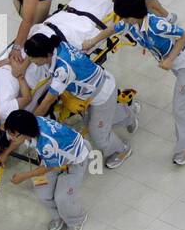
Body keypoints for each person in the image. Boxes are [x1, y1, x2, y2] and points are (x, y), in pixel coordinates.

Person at [86, 0, 185, 166]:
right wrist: (92, 41)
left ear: (134, 15)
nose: (123, 21)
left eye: (125, 17)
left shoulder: (156, 25)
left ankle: (182, 149)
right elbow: (112, 29)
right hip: (178, 67)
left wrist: (170, 59)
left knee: (181, 108)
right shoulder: (130, 24)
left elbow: (184, 36)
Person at [20, 32, 137, 168]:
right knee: (95, 119)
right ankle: (129, 114)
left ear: (46, 55)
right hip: (102, 82)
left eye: (34, 59)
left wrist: (28, 124)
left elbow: (47, 102)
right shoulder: (59, 45)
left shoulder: (63, 70)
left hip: (103, 95)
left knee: (97, 132)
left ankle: (122, 150)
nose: (32, 62)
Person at [3, 109, 91, 230]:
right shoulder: (35, 121)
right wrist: (5, 153)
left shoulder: (47, 144)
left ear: (25, 132)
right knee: (42, 192)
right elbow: (19, 140)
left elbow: (48, 168)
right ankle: (58, 216)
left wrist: (23, 176)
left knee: (62, 197)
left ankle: (76, 219)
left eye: (13, 134)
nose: (10, 137)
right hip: (52, 159)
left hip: (75, 161)